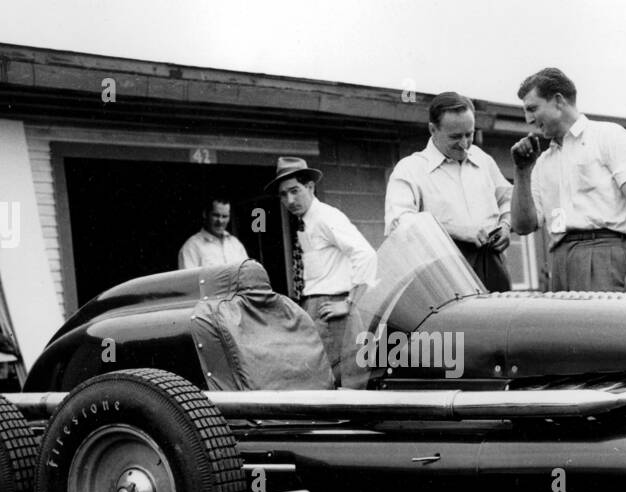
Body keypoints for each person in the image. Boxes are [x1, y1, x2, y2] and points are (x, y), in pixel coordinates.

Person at [508, 67, 626, 292]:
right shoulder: (542, 162)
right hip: (558, 260)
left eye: (532, 109)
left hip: (605, 256)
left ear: (558, 101)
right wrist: (521, 171)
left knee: (606, 327)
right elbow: (522, 226)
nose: (528, 120)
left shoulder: (608, 136)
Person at [264, 156, 376, 386]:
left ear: (310, 187)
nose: (290, 199)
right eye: (284, 194)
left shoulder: (326, 217)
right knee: (323, 380)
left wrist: (350, 302)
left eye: (295, 191)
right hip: (314, 307)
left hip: (332, 310)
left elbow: (366, 254)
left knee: (344, 381)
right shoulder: (305, 221)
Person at [385, 91, 513, 292]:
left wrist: (506, 225)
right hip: (442, 272)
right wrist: (457, 231)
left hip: (492, 265)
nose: (464, 144)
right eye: (455, 136)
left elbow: (508, 199)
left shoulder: (482, 160)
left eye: (469, 134)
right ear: (433, 130)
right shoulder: (410, 168)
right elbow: (399, 224)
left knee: (500, 322)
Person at [177, 196, 249, 269]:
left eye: (224, 216)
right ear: (205, 214)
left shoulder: (235, 244)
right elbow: (188, 280)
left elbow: (248, 273)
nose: (220, 221)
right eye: (216, 215)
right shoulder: (191, 247)